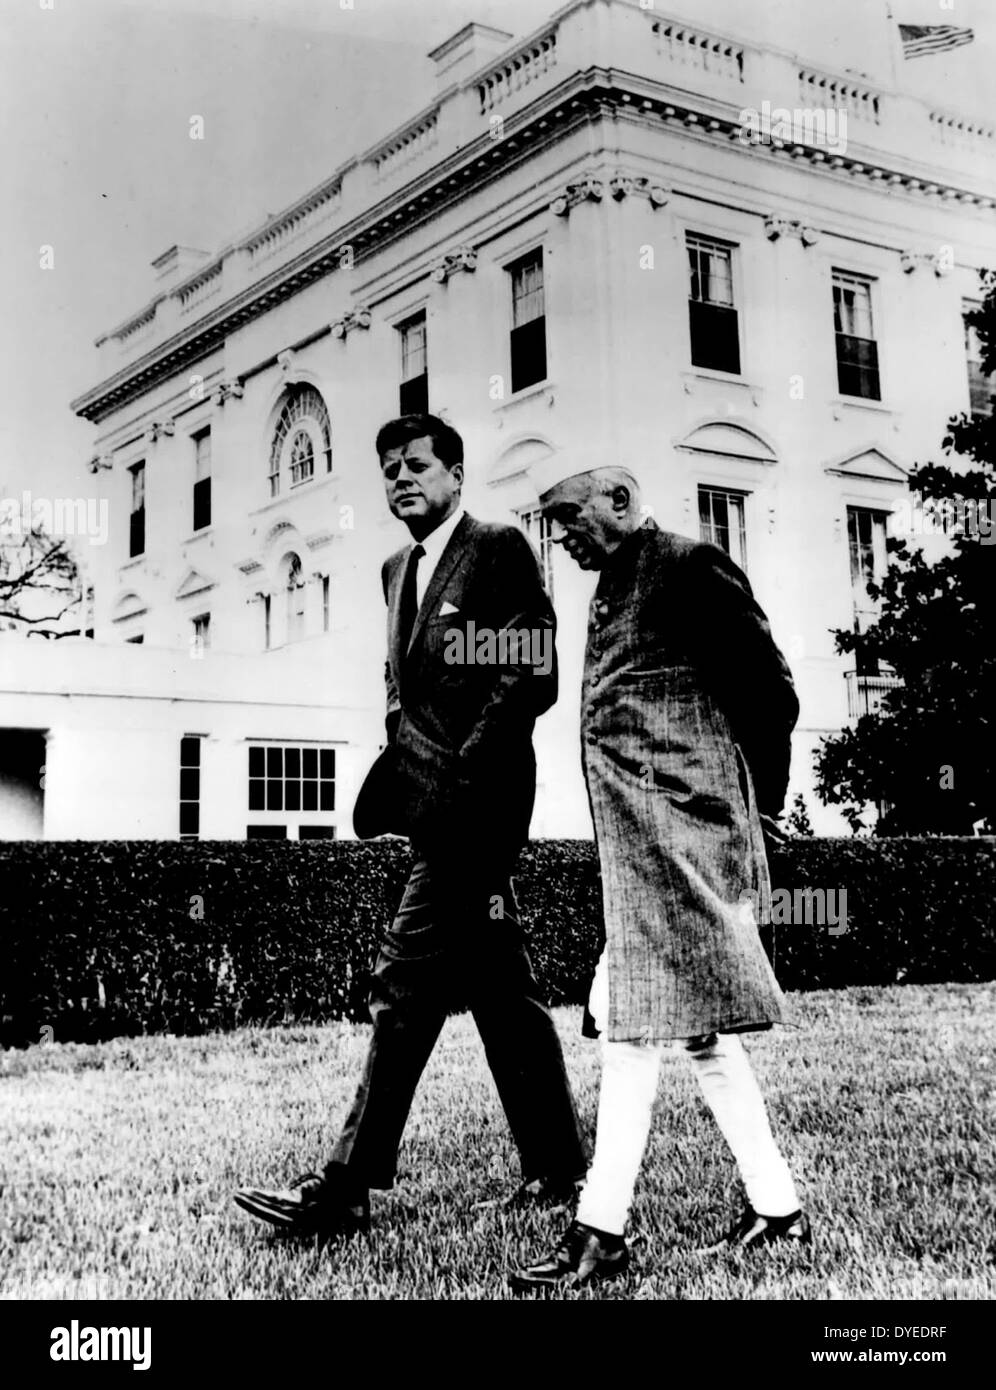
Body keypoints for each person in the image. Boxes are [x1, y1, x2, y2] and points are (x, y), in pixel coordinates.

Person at [235, 414, 586, 1241]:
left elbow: (530, 669)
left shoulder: (497, 547)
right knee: (503, 992)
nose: (402, 478)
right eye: (390, 467)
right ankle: (561, 1166)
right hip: (430, 812)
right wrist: (403, 774)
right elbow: (402, 688)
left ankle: (346, 1186)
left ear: (456, 475)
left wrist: (465, 767)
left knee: (402, 987)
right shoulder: (395, 567)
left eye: (418, 464)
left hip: (481, 809)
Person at [512, 453, 810, 1292]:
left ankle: (601, 1230)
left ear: (620, 500)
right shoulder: (614, 584)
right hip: (640, 847)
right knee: (687, 1028)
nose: (560, 535)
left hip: (683, 841)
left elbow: (770, 691)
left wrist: (753, 810)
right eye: (552, 523)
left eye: (569, 516)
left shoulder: (685, 564)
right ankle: (777, 1207)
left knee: (633, 1022)